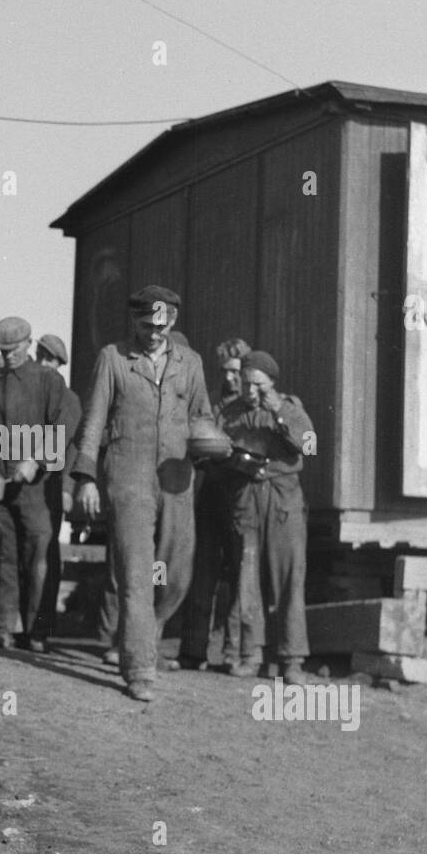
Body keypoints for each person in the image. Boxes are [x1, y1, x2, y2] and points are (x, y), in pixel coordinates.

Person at [73, 287, 210, 701]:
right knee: (136, 572)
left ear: (173, 322)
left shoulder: (191, 362)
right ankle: (139, 667)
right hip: (127, 471)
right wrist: (85, 477)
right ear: (133, 321)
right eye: (147, 326)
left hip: (176, 475)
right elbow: (93, 420)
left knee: (174, 572)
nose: (154, 333)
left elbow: (202, 413)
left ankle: (141, 636)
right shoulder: (113, 358)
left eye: (162, 325)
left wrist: (207, 438)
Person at [218, 350, 315, 679]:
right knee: (247, 579)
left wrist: (280, 411)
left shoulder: (290, 406)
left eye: (257, 384)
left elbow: (311, 446)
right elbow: (213, 451)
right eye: (245, 383)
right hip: (246, 497)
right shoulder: (230, 413)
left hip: (282, 499)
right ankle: (251, 654)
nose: (250, 390)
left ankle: (291, 660)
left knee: (289, 579)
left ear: (272, 383)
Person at [0, 317, 69, 653]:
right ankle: (2, 629)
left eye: (13, 350)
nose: (7, 357)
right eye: (2, 351)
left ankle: (36, 633)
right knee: (4, 557)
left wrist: (37, 460)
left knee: (37, 558)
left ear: (29, 344)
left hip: (36, 489)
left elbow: (60, 428)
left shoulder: (48, 380)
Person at [180, 337, 251, 671]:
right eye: (225, 371)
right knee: (203, 574)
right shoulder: (210, 403)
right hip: (211, 495)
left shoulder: (252, 406)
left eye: (236, 372)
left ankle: (233, 653)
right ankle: (193, 650)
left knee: (240, 578)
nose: (230, 378)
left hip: (240, 497)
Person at [34, 334, 82, 642]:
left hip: (49, 485)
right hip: (21, 484)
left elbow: (70, 447)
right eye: (40, 356)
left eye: (50, 360)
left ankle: (42, 628)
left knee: (45, 555)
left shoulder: (68, 399)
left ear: (60, 365)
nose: (43, 364)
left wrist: (66, 488)